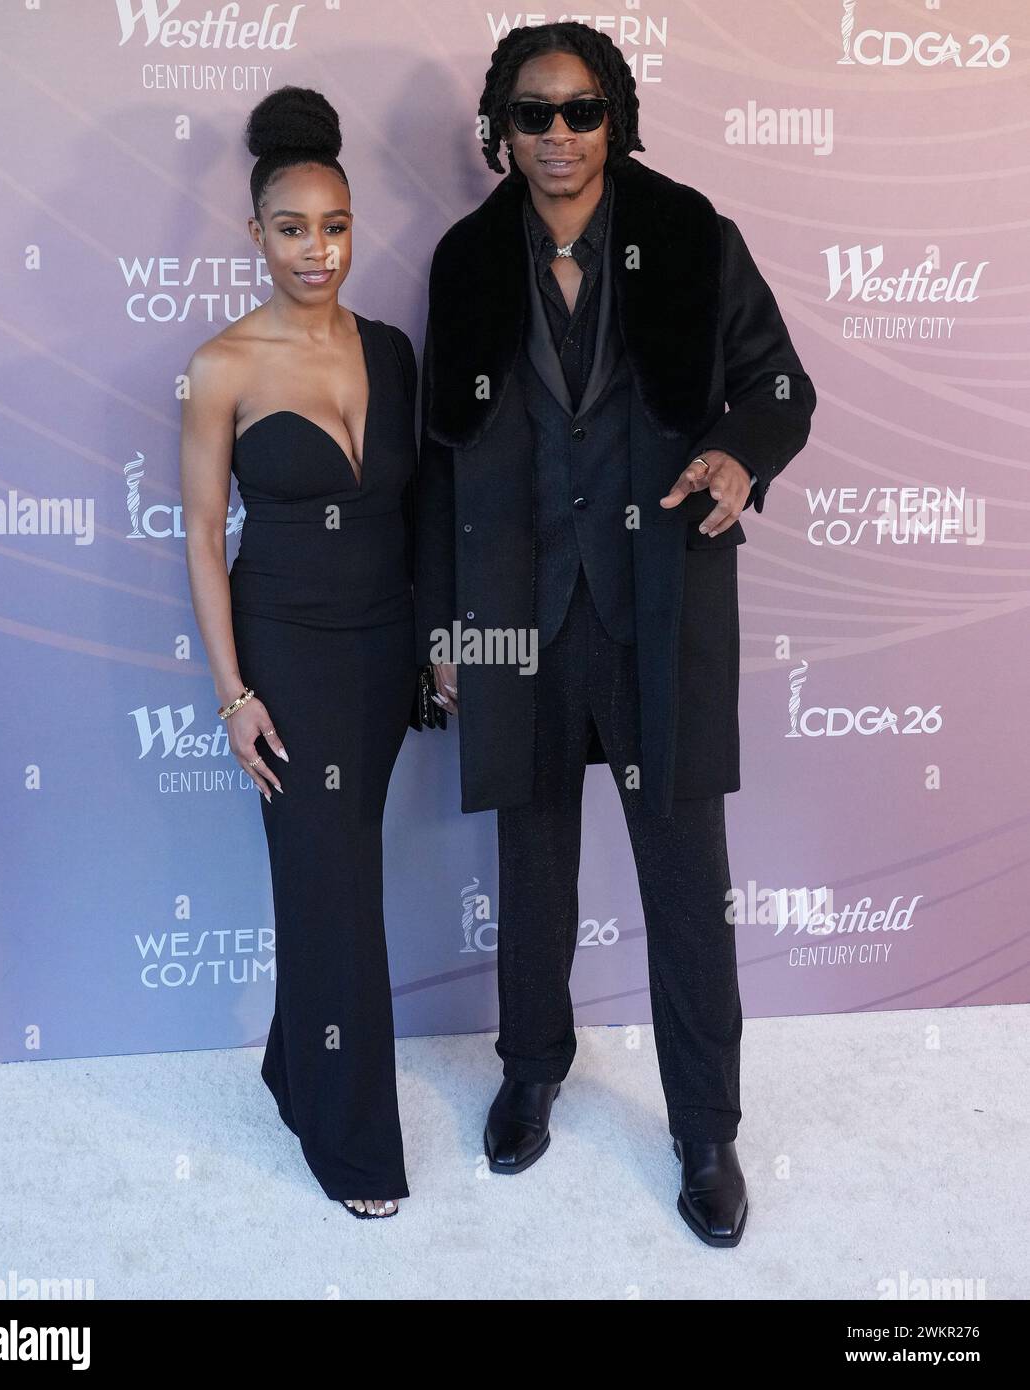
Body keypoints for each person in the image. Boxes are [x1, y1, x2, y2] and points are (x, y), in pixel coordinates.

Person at [414, 23, 816, 1246]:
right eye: (531, 115)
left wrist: (740, 457)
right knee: (527, 866)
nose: (556, 137)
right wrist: (441, 623)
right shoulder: (468, 258)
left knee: (686, 881)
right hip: (509, 613)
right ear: (501, 127)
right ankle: (531, 1067)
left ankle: (704, 1128)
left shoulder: (691, 234)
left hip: (661, 604)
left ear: (616, 117)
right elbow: (438, 458)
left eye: (579, 112)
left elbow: (781, 388)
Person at [180, 85, 422, 1219]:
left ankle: (294, 1067)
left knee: (339, 880)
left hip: (383, 658)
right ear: (254, 234)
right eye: (290, 228)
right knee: (332, 895)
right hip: (288, 650)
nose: (315, 249)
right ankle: (355, 1150)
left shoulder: (393, 349)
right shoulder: (221, 365)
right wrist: (233, 696)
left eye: (333, 226)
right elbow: (197, 532)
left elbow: (421, 507)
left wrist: (438, 644)